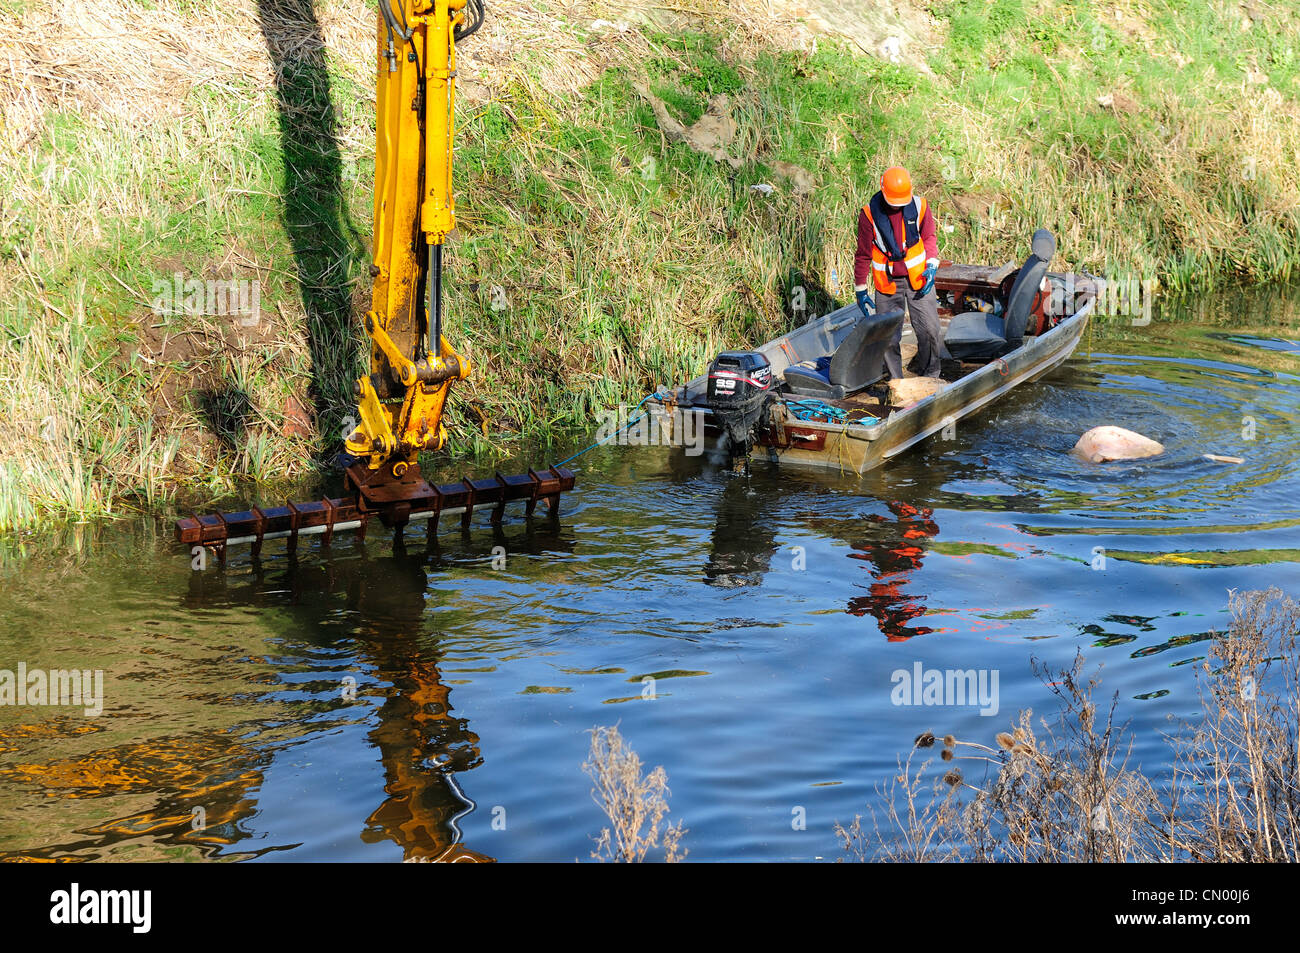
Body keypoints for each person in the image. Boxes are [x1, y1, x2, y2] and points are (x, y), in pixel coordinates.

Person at [852, 166, 942, 379]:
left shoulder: (920, 206)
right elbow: (863, 254)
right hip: (888, 280)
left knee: (929, 329)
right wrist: (860, 289)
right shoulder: (868, 215)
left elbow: (929, 237)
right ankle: (895, 380)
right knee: (888, 336)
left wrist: (931, 265)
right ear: (883, 192)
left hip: (920, 277)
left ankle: (931, 375)